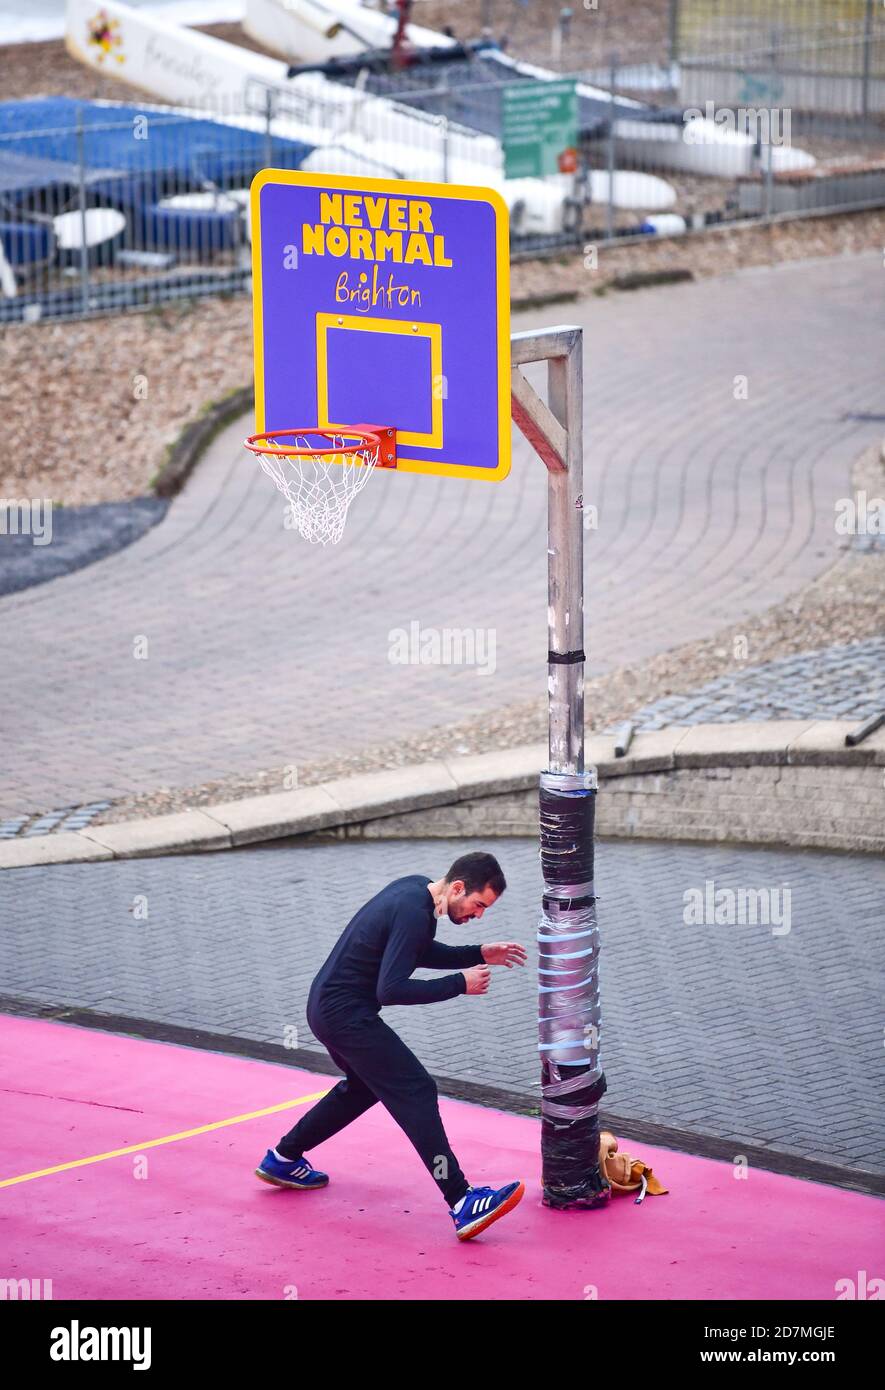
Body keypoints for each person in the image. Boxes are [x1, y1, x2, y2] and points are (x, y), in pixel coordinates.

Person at [256, 851, 527, 1240]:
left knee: (364, 1087)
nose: (478, 915)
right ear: (457, 887)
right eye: (478, 904)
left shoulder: (414, 890)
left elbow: (415, 950)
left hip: (326, 1008)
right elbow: (392, 988)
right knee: (416, 1088)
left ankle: (283, 1159)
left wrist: (479, 953)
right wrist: (459, 984)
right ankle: (462, 1200)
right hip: (346, 1015)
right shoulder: (416, 911)